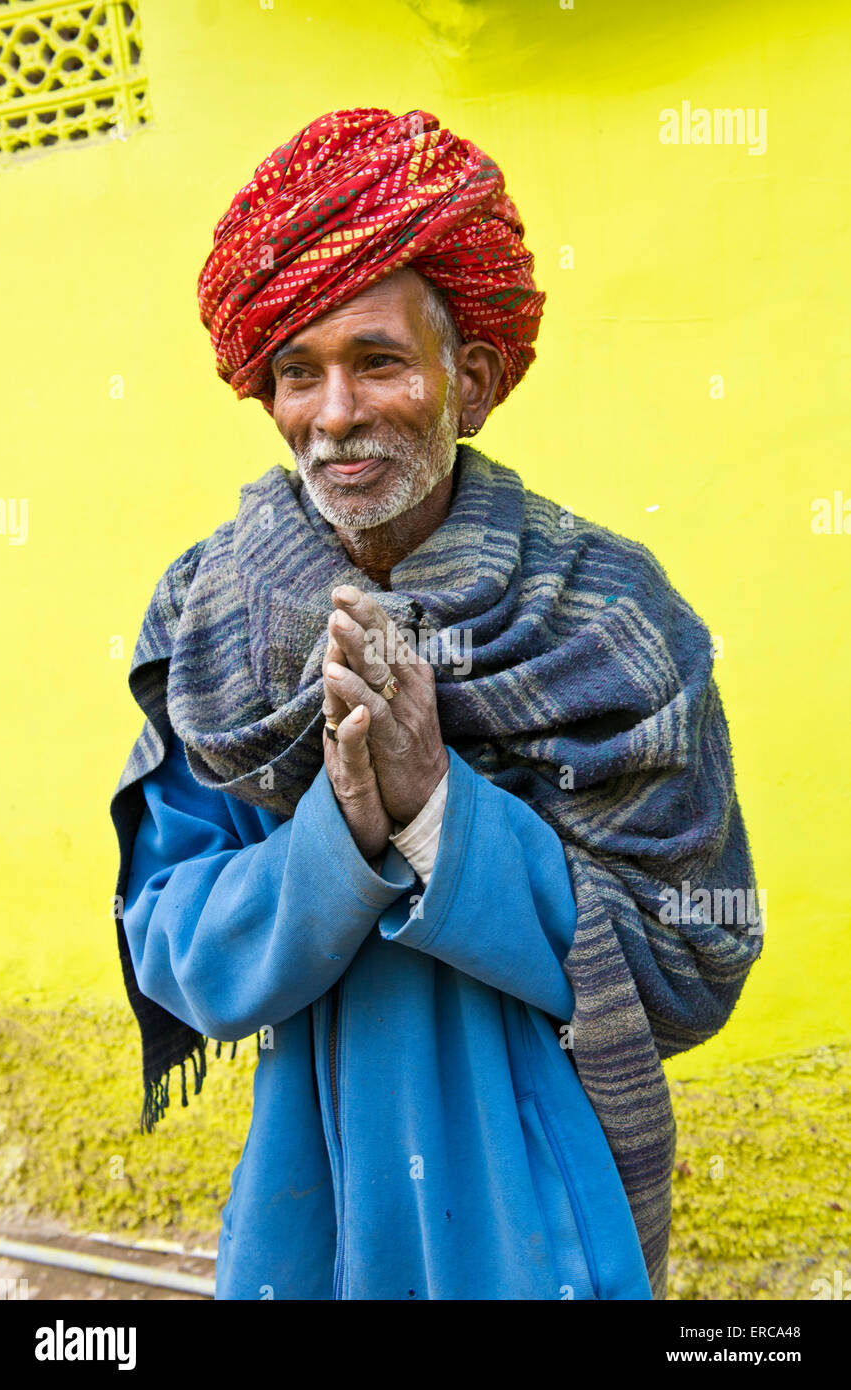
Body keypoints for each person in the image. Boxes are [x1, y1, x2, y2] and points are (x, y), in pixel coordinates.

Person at [110, 107, 762, 1301]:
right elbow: (168, 942)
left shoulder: (611, 616)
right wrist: (339, 838)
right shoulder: (214, 620)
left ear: (472, 379)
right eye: (297, 372)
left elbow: (693, 950)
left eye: (378, 361)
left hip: (544, 1220)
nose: (334, 413)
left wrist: (440, 816)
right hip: (309, 1216)